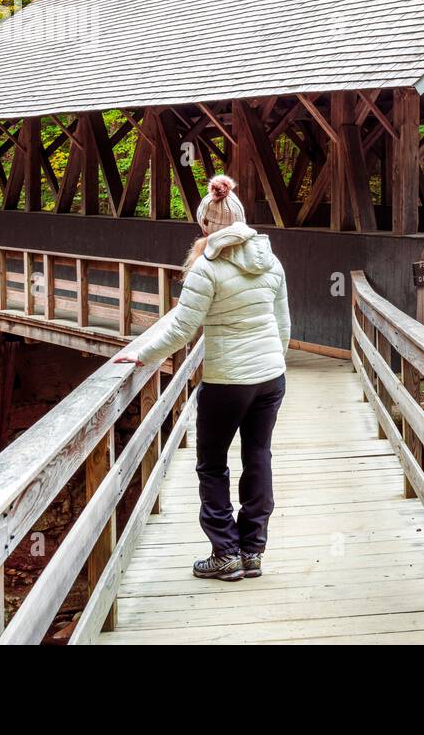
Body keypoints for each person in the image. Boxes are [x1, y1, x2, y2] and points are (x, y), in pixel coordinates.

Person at [115, 174, 291, 581]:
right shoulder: (270, 259)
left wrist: (139, 357)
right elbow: (282, 322)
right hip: (270, 378)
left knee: (212, 465)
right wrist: (272, 362)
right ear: (241, 219)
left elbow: (182, 330)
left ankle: (225, 553)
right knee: (258, 456)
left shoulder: (206, 268)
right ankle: (252, 552)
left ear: (205, 225)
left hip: (227, 381)